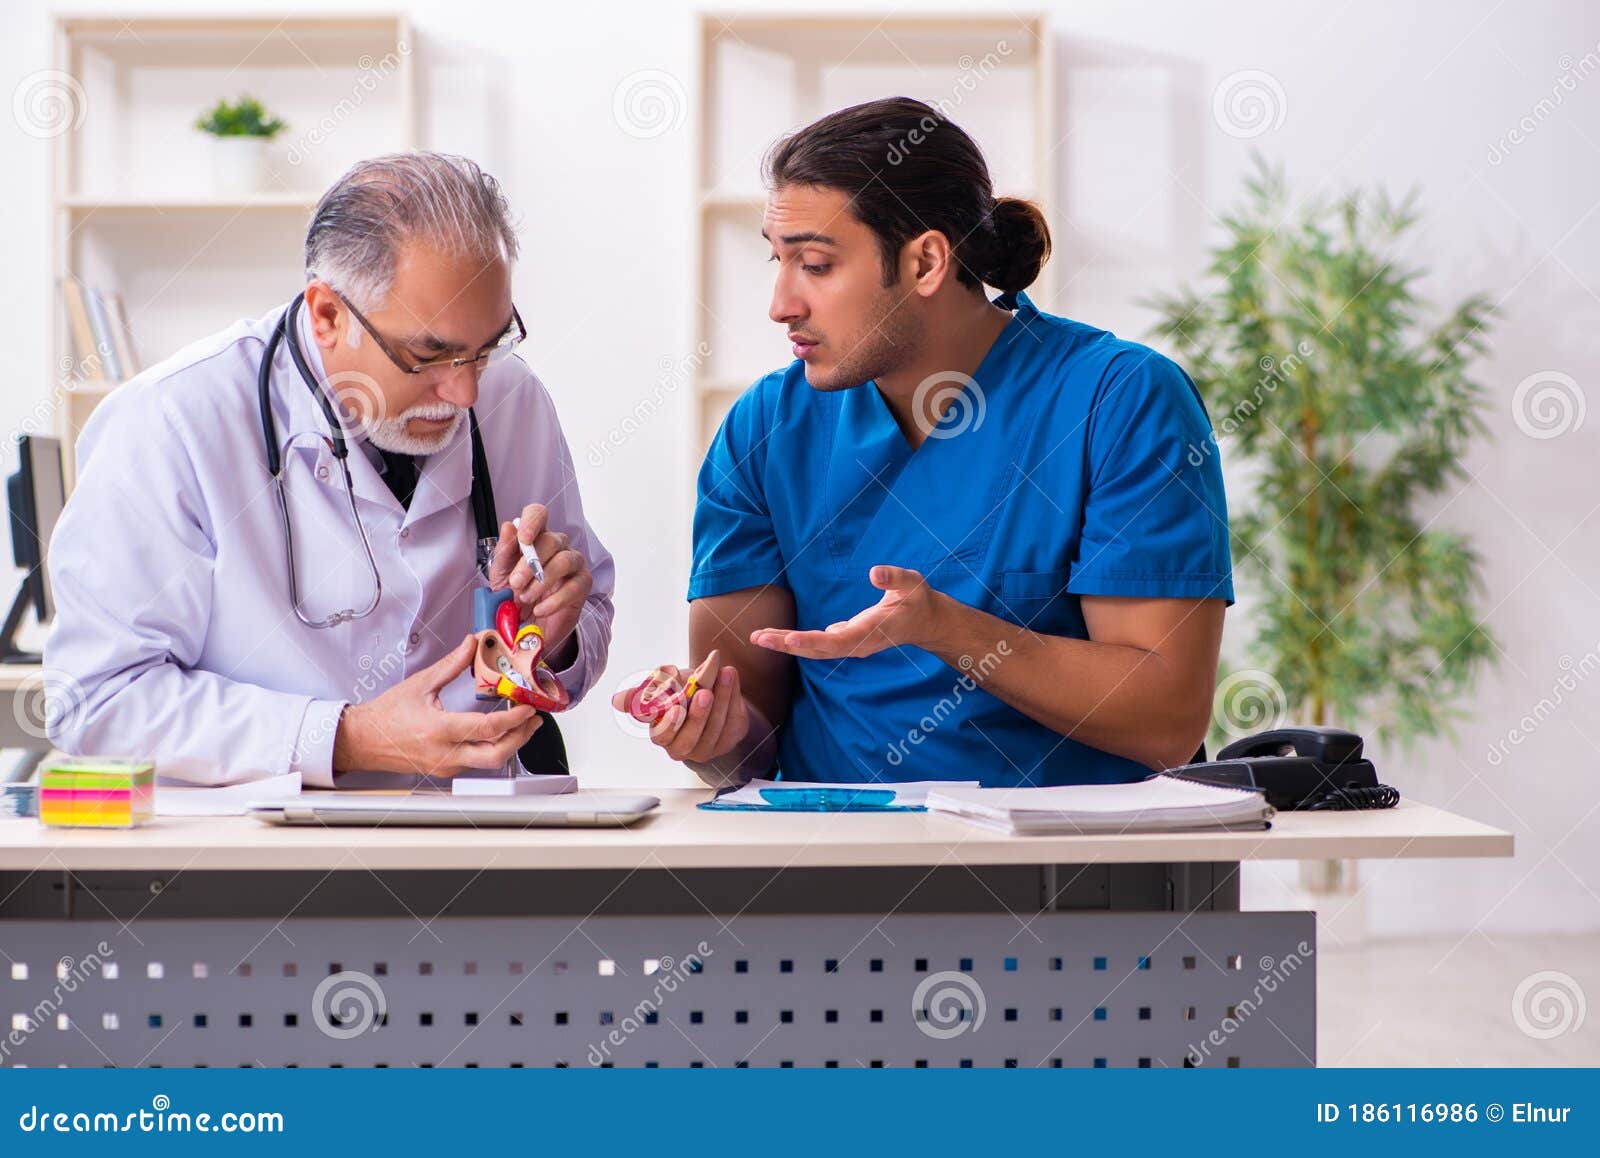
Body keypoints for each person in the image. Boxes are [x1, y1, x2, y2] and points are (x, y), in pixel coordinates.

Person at [618, 98, 1232, 789]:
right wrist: (708, 734)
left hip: (1076, 873)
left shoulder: (1119, 401)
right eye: (777, 261)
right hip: (832, 869)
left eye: (815, 265)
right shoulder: (764, 429)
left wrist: (950, 630)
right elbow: (746, 740)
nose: (781, 303)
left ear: (927, 262)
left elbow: (1168, 720)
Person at [45, 152, 613, 787]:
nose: (465, 393)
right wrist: (343, 736)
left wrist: (550, 638)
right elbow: (97, 700)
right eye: (429, 354)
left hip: (471, 838)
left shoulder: (512, 400)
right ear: (327, 314)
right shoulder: (172, 421)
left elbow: (587, 622)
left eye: (486, 347)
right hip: (250, 857)